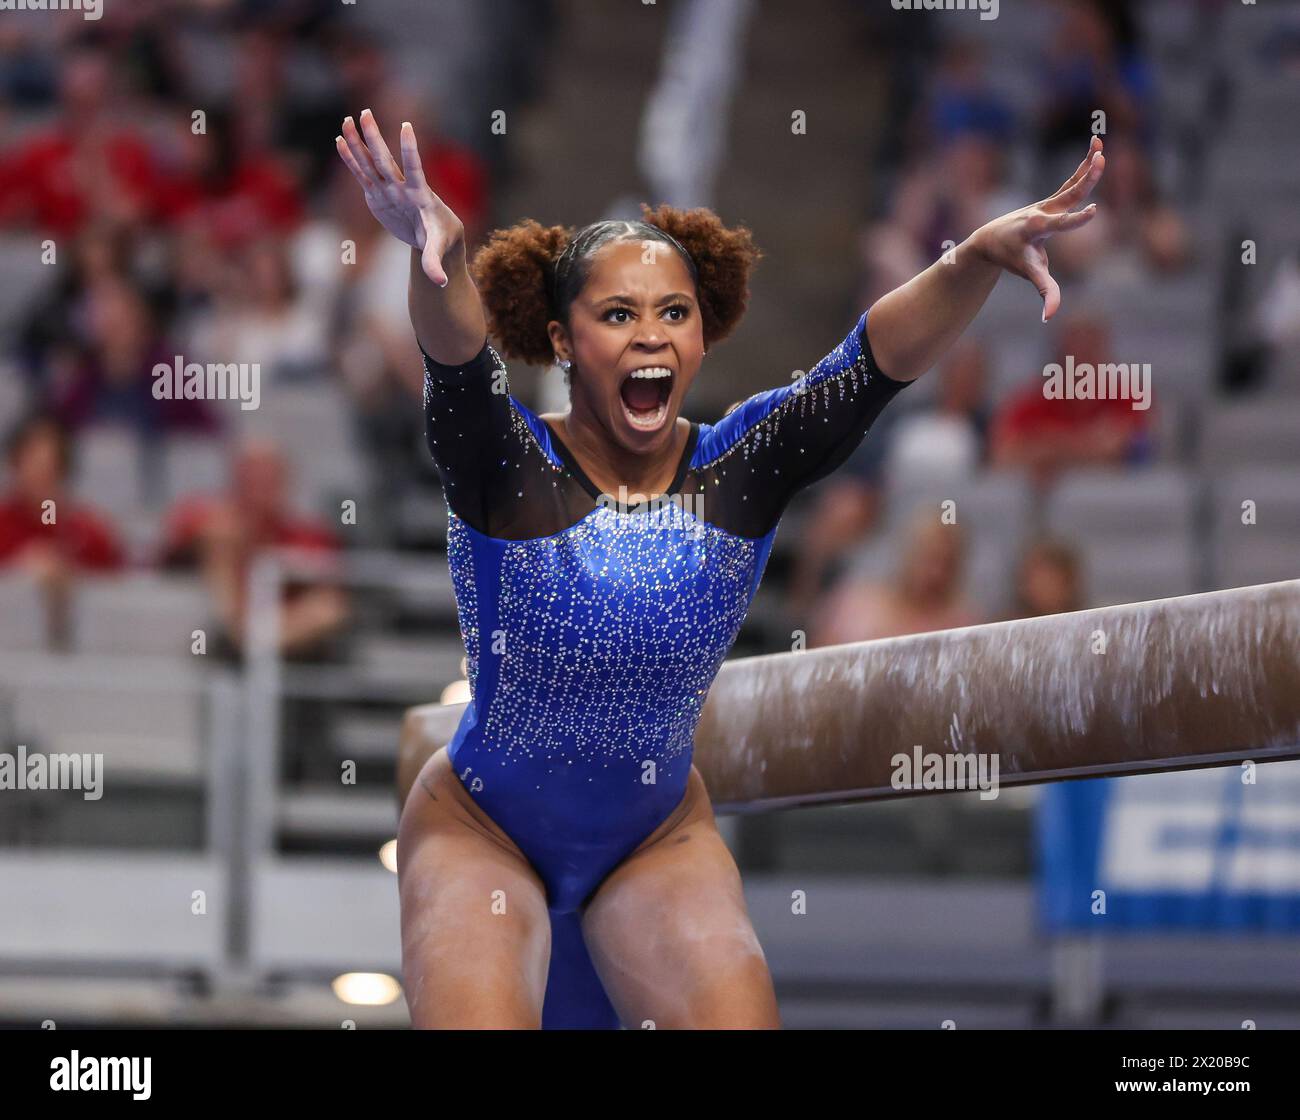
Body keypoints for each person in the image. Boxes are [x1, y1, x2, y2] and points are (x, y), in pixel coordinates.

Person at [337, 109, 1107, 1029]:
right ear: (560, 339)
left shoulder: (742, 467)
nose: (651, 335)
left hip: (653, 837)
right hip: (483, 832)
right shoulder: (510, 467)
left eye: (674, 313)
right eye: (616, 315)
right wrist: (443, 259)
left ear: (706, 335)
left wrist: (972, 258)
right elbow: (455, 357)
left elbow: (873, 363)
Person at [0, 412, 125, 647]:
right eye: (32, 461)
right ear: (15, 464)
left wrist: (68, 575)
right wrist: (18, 571)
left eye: (51, 465)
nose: (41, 472)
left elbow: (119, 594)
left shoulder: (90, 530)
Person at [808, 509, 981, 647]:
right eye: (929, 559)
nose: (936, 573)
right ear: (908, 554)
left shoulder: (963, 626)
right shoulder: (855, 606)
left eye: (947, 564)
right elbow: (815, 666)